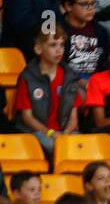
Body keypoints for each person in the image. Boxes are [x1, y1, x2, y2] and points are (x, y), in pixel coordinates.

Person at [13, 29, 81, 158]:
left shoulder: (70, 77)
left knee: (81, 147)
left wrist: (65, 133)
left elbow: (74, 118)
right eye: (53, 45)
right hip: (37, 131)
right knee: (54, 146)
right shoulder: (28, 77)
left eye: (62, 45)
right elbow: (27, 118)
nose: (59, 50)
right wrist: (50, 133)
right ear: (38, 49)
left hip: (65, 132)